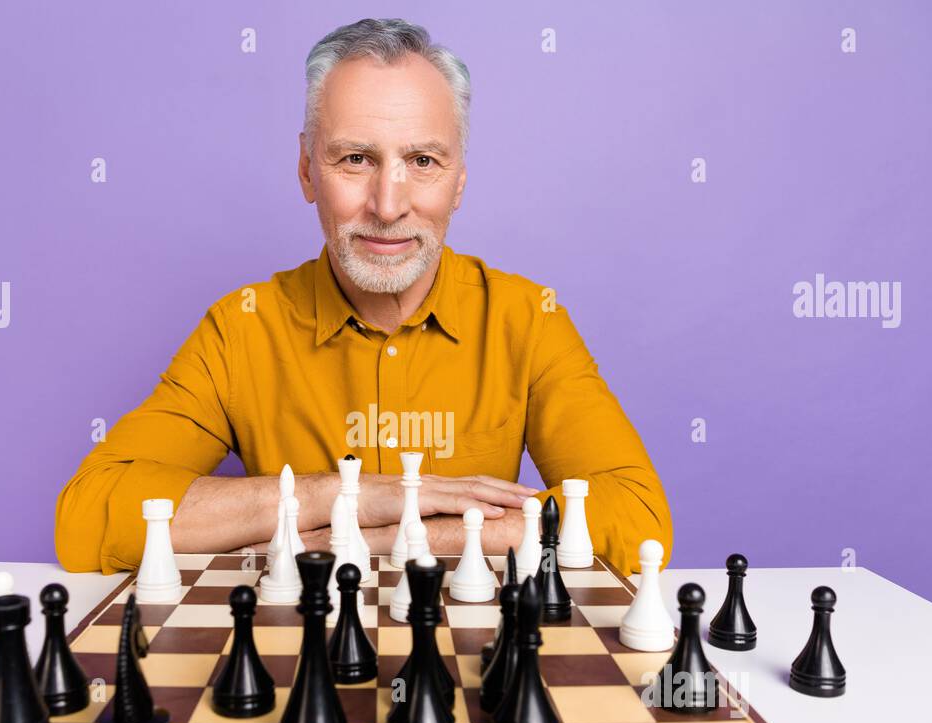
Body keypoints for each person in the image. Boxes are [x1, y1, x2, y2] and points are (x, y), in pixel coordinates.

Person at [55, 18, 671, 576]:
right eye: (354, 159)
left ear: (458, 182)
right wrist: (336, 495)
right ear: (305, 171)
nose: (387, 204)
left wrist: (394, 534)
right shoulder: (240, 329)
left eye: (422, 160)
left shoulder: (527, 321)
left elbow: (638, 517)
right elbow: (88, 516)